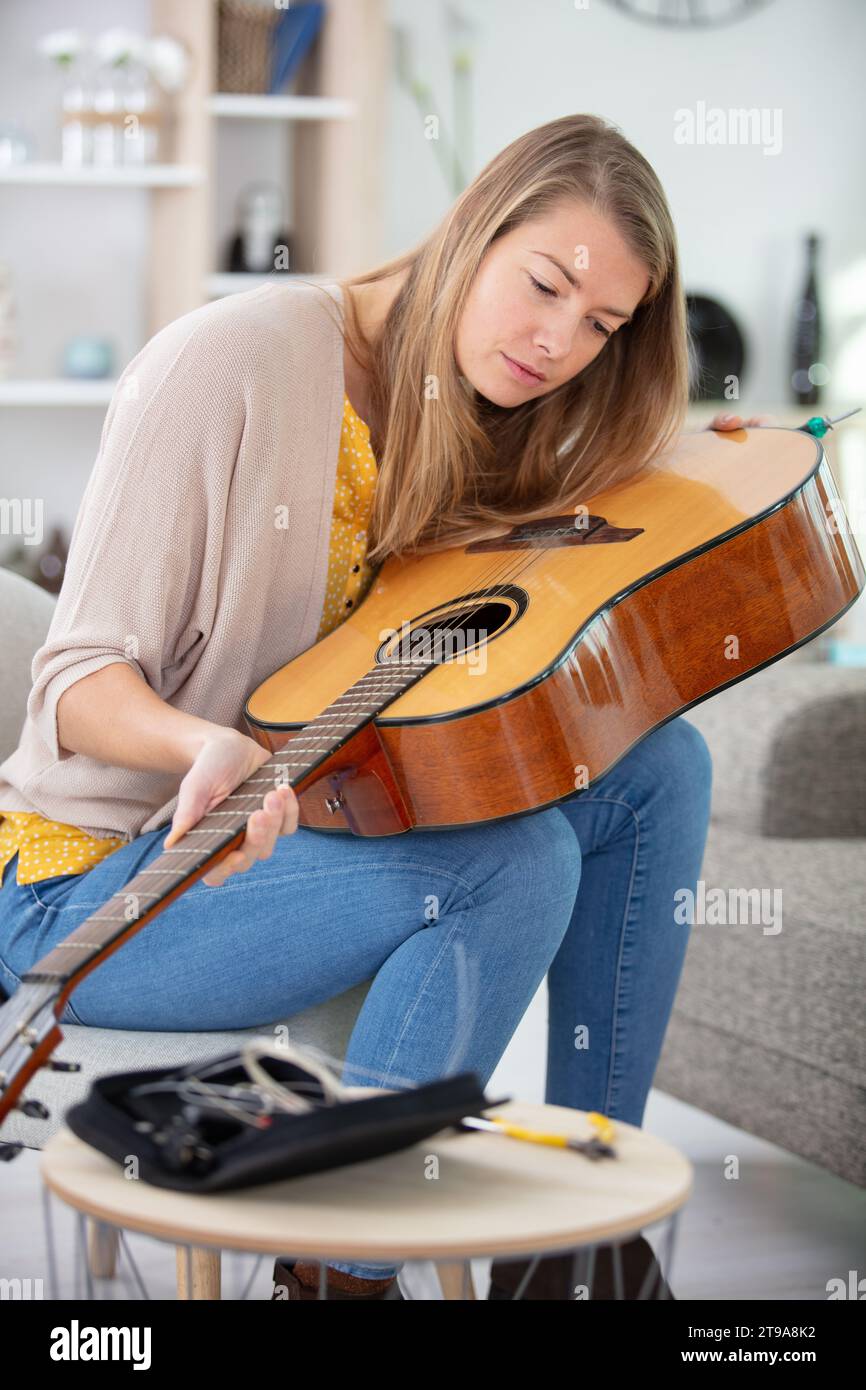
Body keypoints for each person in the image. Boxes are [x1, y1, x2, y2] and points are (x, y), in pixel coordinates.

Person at [0, 113, 761, 1300]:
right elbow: (74, 683)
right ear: (469, 229)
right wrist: (208, 745)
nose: (558, 340)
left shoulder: (471, 400)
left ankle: (579, 1242)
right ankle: (341, 1273)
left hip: (298, 838)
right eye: (545, 284)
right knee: (513, 864)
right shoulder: (235, 360)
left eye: (600, 324)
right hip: (98, 889)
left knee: (662, 770)